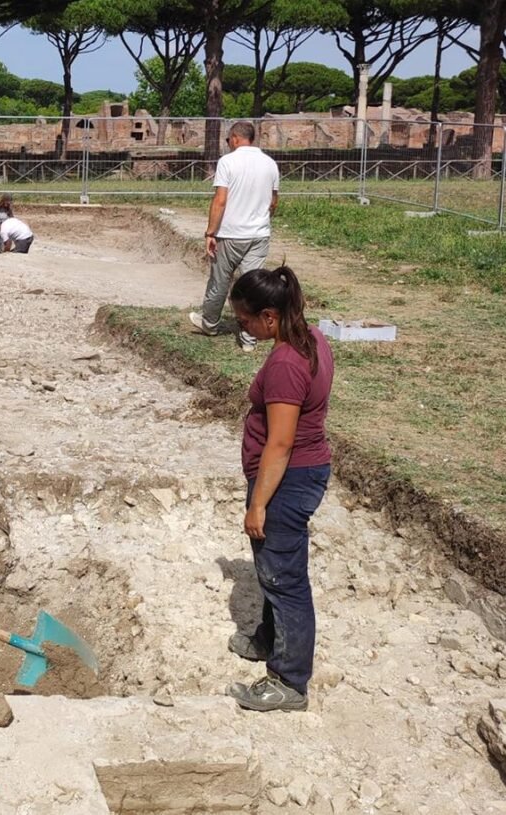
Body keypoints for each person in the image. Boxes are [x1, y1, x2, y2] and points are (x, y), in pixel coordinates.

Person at [224, 266, 333, 713]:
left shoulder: (287, 363)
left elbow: (282, 441)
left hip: (287, 480)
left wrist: (259, 504)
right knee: (273, 568)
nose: (243, 328)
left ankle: (289, 682)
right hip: (299, 474)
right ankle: (269, 640)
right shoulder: (311, 338)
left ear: (269, 316)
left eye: (245, 320)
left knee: (284, 579)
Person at [189, 121, 280, 352]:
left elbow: (220, 200)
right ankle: (249, 338)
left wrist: (210, 232)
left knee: (219, 280)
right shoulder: (270, 164)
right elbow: (273, 202)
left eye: (229, 140)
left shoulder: (227, 162)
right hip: (259, 234)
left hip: (230, 233)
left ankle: (209, 323)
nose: (228, 143)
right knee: (252, 286)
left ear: (236, 138)